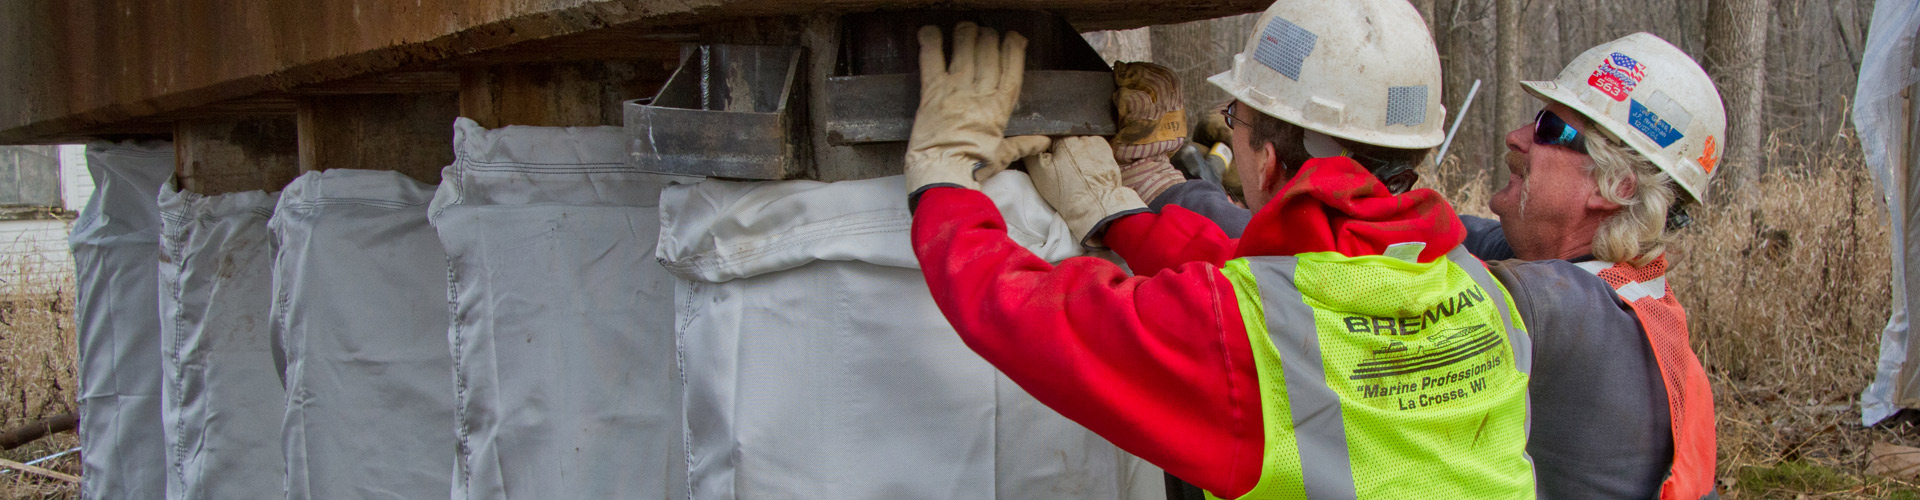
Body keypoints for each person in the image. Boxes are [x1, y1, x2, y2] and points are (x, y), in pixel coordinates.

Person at [901, 1, 1537, 498]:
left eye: (1237, 119)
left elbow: (1025, 314)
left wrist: (941, 177)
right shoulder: (1482, 288)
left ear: (1262, 155)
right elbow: (1272, 276)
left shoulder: (1246, 345)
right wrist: (1117, 215)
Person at [1123, 32, 1726, 500]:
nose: (1516, 136)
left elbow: (1343, 270)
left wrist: (1161, 188)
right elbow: (1420, 232)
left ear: (1616, 184)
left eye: (1550, 128)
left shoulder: (1561, 315)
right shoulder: (1628, 298)